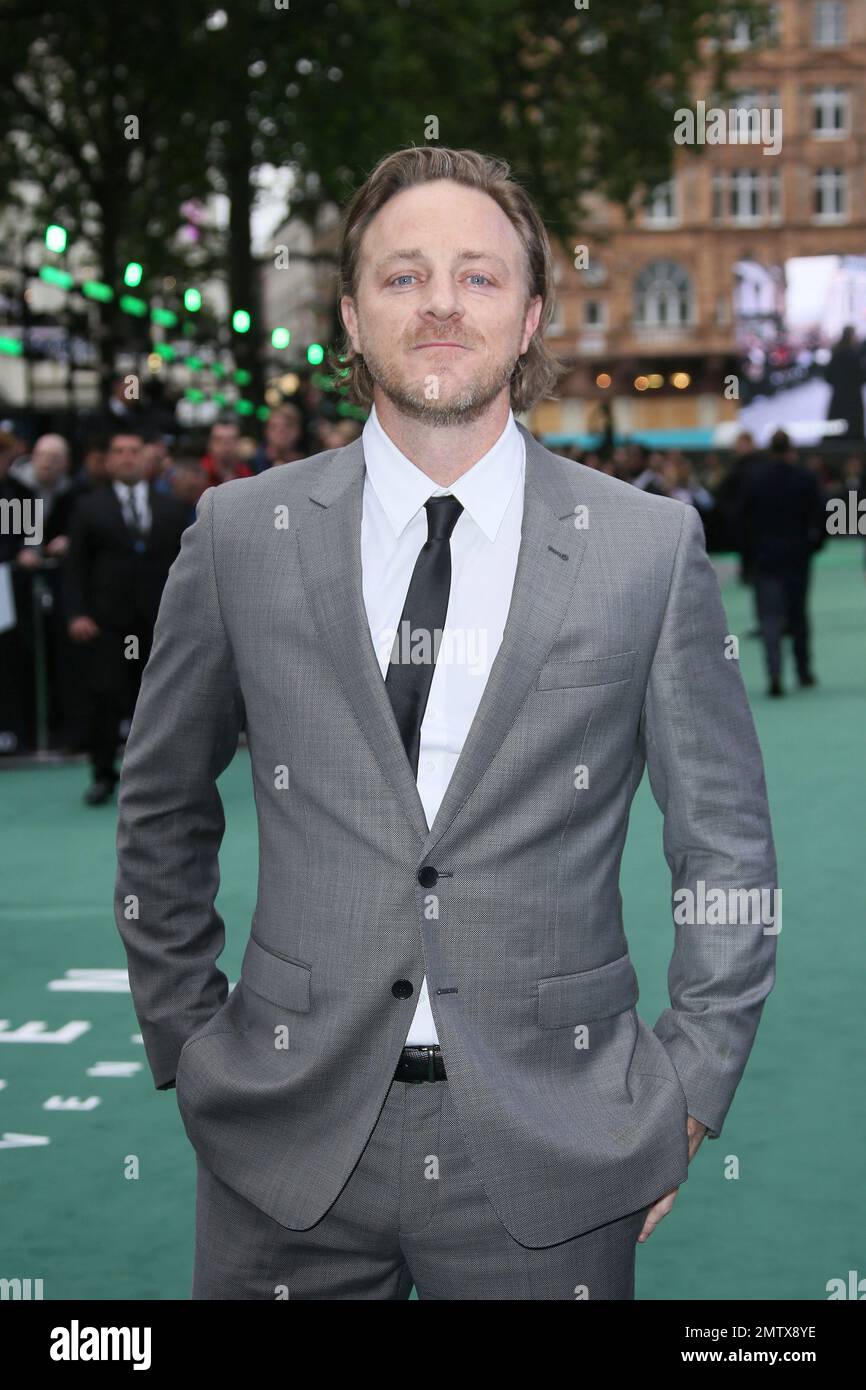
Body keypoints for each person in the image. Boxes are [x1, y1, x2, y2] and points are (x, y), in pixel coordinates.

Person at [114, 145, 778, 1301]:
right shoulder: (235, 538)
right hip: (284, 1137)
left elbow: (724, 845)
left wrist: (690, 1081)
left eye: (475, 277)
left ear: (527, 317)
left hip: (553, 1140)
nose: (437, 304)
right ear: (351, 317)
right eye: (401, 275)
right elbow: (160, 805)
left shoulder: (645, 550)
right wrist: (188, 1037)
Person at [65, 430, 189, 804]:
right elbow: (74, 567)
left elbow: (186, 566)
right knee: (104, 699)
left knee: (161, 702)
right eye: (118, 451)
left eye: (134, 451)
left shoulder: (172, 507)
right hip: (107, 624)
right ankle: (104, 774)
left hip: (160, 623)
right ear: (107, 459)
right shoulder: (88, 508)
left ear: (146, 459)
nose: (126, 458)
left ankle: (164, 776)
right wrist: (76, 613)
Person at [739, 428, 826, 697]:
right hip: (797, 557)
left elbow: (742, 519)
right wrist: (812, 546)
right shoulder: (806, 477)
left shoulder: (756, 479)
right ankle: (803, 671)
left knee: (769, 618)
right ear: (790, 449)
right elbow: (819, 517)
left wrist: (750, 553)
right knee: (798, 615)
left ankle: (774, 672)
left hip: (766, 558)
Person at [823, 326, 866, 441]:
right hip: (853, 397)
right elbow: (861, 376)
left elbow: (828, 376)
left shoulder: (837, 352)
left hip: (839, 396)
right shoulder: (854, 354)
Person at [199, 420, 253, 487]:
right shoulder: (200, 475)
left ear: (239, 443)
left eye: (232, 439)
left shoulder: (247, 474)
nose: (226, 446)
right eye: (219, 440)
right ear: (210, 444)